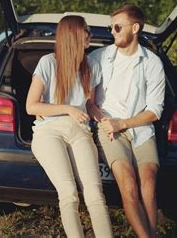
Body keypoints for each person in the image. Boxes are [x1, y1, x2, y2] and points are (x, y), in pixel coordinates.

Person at [26, 15, 113, 238]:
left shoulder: (92, 66)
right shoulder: (48, 62)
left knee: (95, 194)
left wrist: (104, 119)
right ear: (73, 34)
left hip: (80, 132)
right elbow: (31, 106)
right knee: (69, 193)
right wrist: (68, 108)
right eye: (87, 31)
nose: (90, 36)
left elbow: (91, 104)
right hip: (49, 133)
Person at [87, 4, 165, 238]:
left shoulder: (152, 62)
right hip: (109, 129)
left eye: (117, 26)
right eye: (111, 27)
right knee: (129, 185)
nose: (112, 31)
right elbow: (90, 103)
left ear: (135, 28)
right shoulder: (98, 58)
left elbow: (154, 111)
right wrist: (106, 121)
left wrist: (123, 124)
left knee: (149, 185)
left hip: (141, 128)